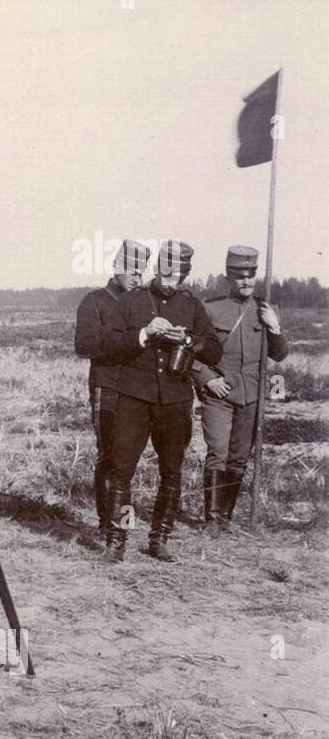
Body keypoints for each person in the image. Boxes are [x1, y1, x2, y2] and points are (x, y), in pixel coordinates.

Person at [101, 240, 222, 562]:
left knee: (172, 471)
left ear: (185, 274)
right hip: (132, 397)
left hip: (174, 401)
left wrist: (188, 341)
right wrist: (144, 332)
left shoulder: (193, 305)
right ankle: (116, 542)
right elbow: (108, 344)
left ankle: (160, 540)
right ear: (157, 268)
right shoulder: (131, 301)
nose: (172, 280)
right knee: (122, 470)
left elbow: (213, 350)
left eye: (179, 274)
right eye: (167, 272)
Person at [192, 245, 288, 534]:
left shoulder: (267, 308)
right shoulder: (211, 309)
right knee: (218, 451)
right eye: (239, 276)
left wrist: (275, 327)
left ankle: (226, 517)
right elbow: (193, 354)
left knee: (239, 456)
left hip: (252, 395)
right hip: (219, 393)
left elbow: (280, 354)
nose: (246, 281)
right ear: (228, 278)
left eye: (251, 276)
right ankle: (211, 520)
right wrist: (207, 379)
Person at [74, 240, 149, 542]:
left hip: (139, 390)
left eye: (141, 273)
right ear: (116, 267)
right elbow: (85, 346)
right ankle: (108, 528)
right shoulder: (95, 302)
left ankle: (122, 526)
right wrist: (133, 339)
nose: (137, 279)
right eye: (132, 271)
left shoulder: (144, 302)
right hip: (108, 387)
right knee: (109, 457)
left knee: (128, 460)